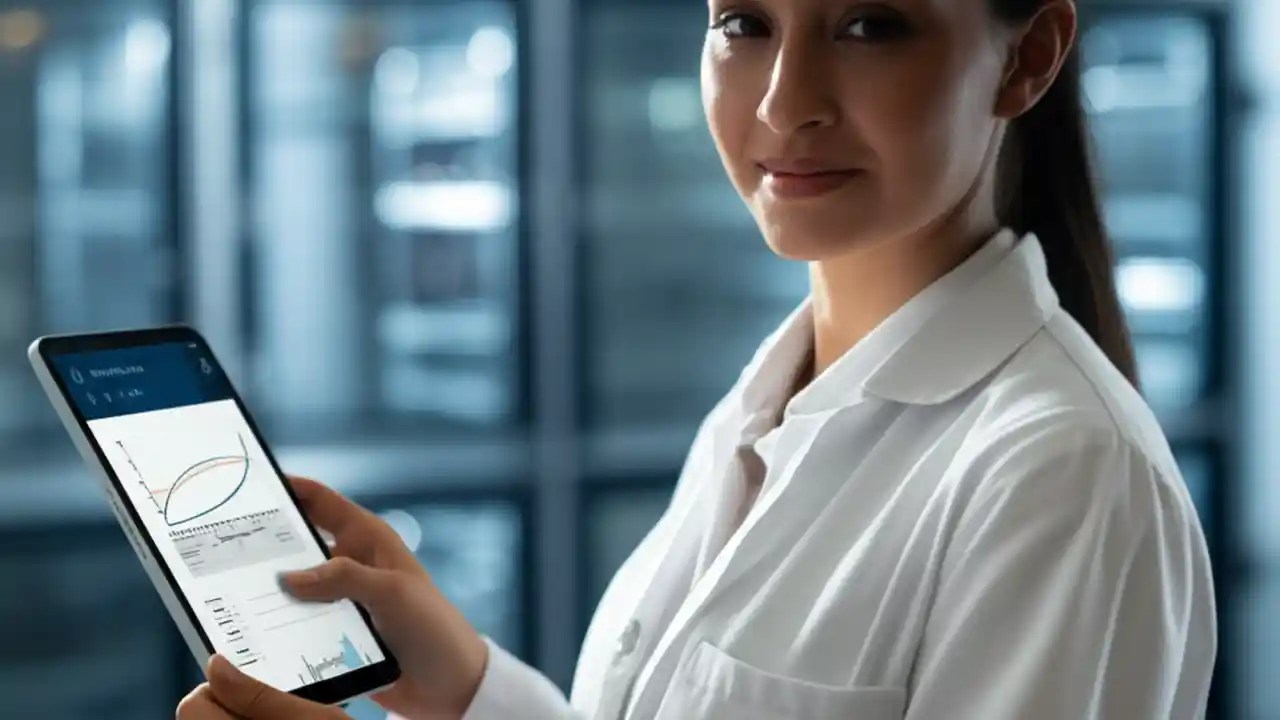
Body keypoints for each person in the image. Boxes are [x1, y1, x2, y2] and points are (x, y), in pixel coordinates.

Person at [177, 0, 1217, 717]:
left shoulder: (1061, 474)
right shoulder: (769, 404)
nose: (781, 102)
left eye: (867, 25)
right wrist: (463, 688)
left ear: (1026, 57)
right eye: (741, 25)